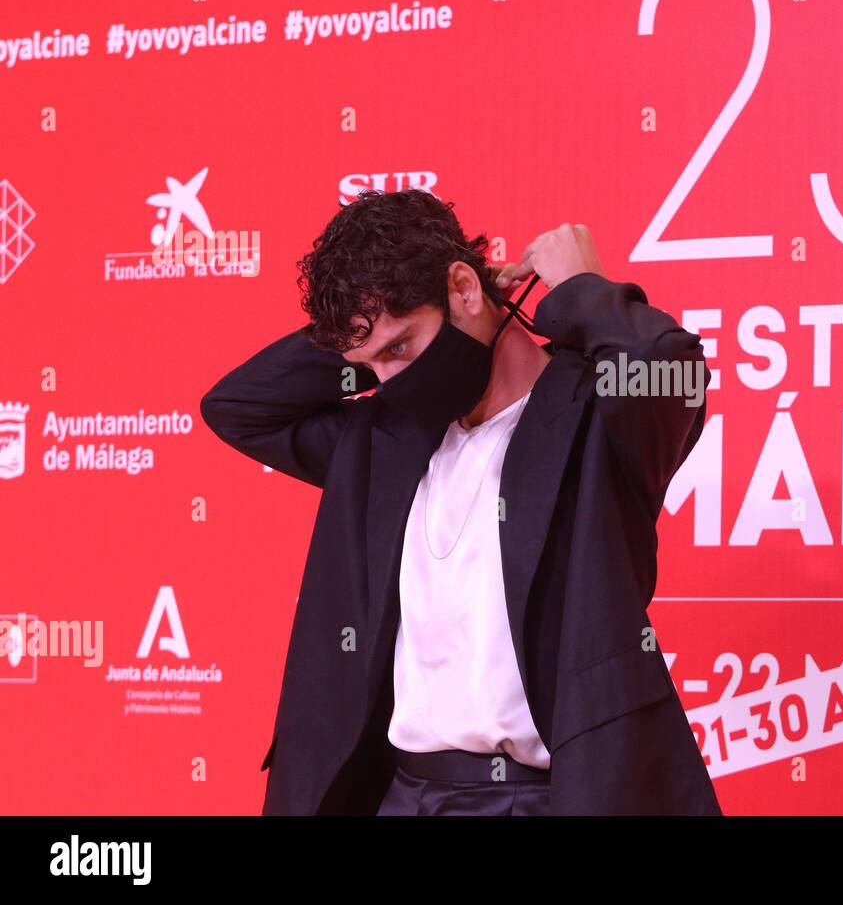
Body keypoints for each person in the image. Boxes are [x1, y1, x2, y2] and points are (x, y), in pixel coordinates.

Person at [199, 188, 721, 815]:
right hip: (402, 795)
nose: (389, 381)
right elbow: (239, 408)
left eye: (401, 347)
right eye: (370, 367)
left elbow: (669, 366)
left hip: (547, 798)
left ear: (464, 290)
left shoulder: (596, 421)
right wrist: (365, 342)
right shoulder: (384, 439)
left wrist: (578, 287)